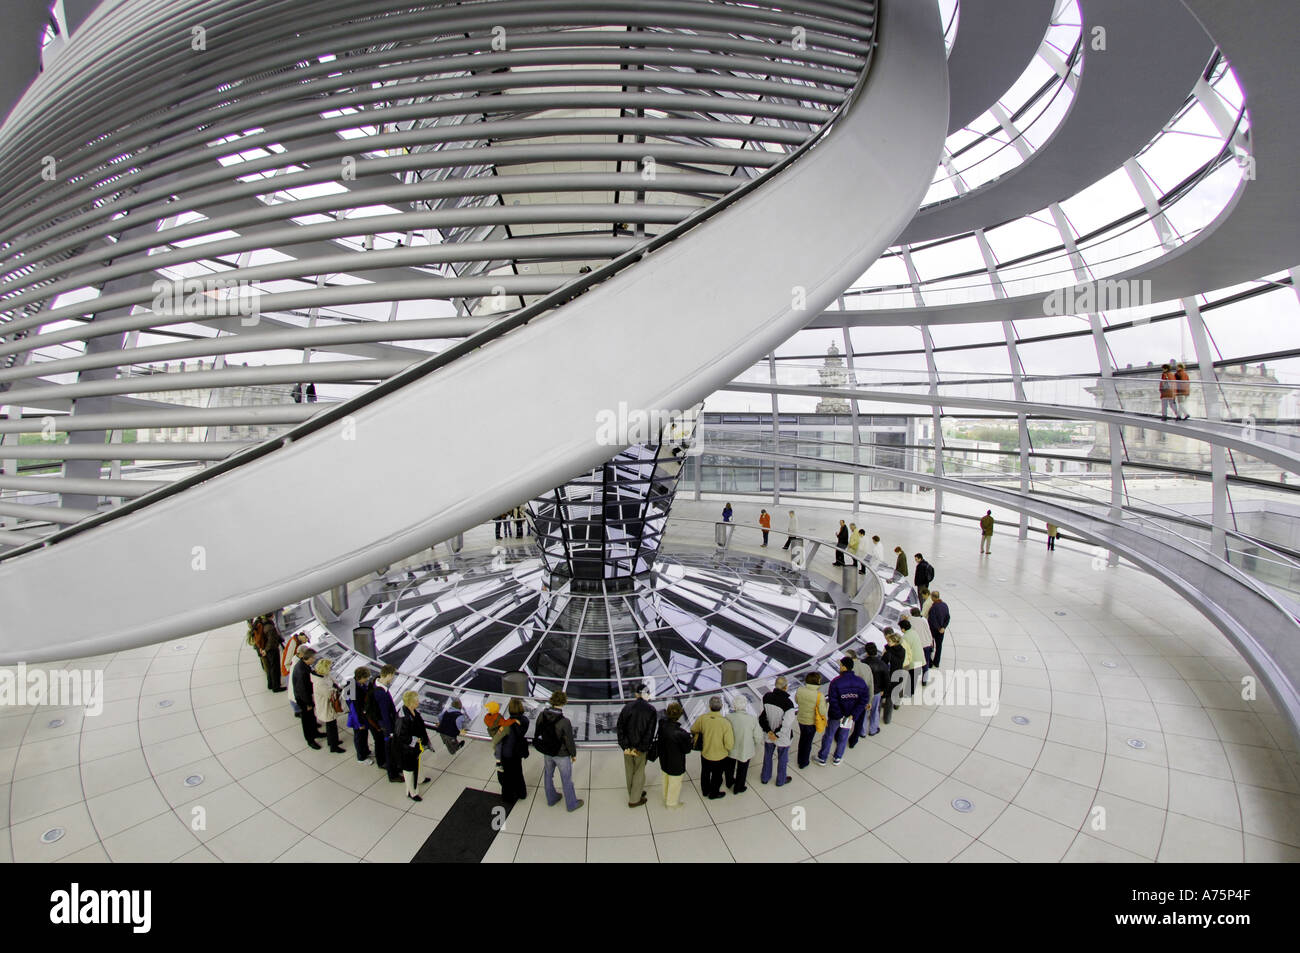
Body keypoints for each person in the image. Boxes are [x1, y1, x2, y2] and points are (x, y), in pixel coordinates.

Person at [816, 657, 870, 765]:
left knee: (829, 735)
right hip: (849, 716)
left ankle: (823, 758)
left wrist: (839, 714)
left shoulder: (836, 682)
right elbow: (863, 700)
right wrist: (853, 715)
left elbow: (833, 700)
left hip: (836, 716)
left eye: (841, 665)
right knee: (843, 736)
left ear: (844, 667)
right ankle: (838, 757)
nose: (839, 667)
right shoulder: (860, 682)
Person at [535, 691, 583, 812]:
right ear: (563, 702)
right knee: (566, 779)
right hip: (561, 754)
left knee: (548, 775)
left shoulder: (542, 715)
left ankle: (551, 799)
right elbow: (569, 741)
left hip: (547, 751)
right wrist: (573, 754)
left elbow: (538, 730)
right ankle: (571, 804)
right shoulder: (565, 722)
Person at [616, 684, 657, 808]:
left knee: (629, 770)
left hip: (627, 748)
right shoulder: (651, 710)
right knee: (639, 772)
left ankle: (634, 791)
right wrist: (641, 748)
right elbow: (650, 733)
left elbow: (620, 728)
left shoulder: (627, 707)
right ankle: (634, 799)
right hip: (640, 748)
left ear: (636, 694)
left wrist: (625, 746)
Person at [691, 696, 735, 800]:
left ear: (709, 706)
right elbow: (729, 744)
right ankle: (714, 793)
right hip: (720, 756)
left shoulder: (702, 718)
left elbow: (693, 729)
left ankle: (705, 791)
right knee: (717, 776)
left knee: (705, 773)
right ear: (721, 707)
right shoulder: (725, 723)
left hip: (705, 753)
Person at [366, 665, 401, 781]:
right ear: (389, 675)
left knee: (384, 746)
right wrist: (390, 731)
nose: (393, 679)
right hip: (386, 725)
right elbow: (385, 713)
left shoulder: (375, 683)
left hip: (380, 723)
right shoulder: (381, 693)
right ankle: (393, 774)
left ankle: (385, 764)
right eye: (392, 676)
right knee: (390, 749)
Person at [759, 677, 796, 786]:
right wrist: (776, 735)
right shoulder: (788, 703)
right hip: (782, 737)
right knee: (783, 759)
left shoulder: (766, 697)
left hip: (768, 735)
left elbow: (762, 717)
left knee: (767, 756)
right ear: (786, 687)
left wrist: (769, 732)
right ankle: (781, 780)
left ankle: (765, 777)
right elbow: (786, 724)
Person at [723, 695, 763, 794]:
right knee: (742, 768)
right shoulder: (752, 719)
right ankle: (739, 787)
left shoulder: (728, 717)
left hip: (731, 748)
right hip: (745, 749)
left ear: (734, 706)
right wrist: (755, 744)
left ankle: (729, 782)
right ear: (745, 705)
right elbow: (758, 736)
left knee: (729, 767)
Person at [395, 691, 431, 801]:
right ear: (411, 703)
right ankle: (411, 792)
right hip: (406, 749)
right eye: (417, 700)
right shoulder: (403, 717)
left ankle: (420, 778)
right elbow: (402, 736)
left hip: (414, 747)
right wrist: (415, 740)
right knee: (409, 770)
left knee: (417, 762)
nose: (419, 702)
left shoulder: (412, 711)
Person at [657, 702, 693, 808]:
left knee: (665, 779)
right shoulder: (682, 734)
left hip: (664, 759)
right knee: (675, 783)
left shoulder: (662, 725)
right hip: (676, 762)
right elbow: (687, 750)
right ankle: (671, 803)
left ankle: (665, 797)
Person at [494, 698, 530, 805]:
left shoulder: (505, 724)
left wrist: (498, 758)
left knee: (507, 777)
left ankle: (508, 797)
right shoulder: (525, 721)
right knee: (518, 772)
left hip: (507, 753)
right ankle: (522, 793)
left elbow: (498, 743)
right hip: (517, 752)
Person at [312, 658, 347, 754]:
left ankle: (332, 742)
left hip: (328, 706)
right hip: (326, 707)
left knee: (332, 725)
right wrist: (336, 690)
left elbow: (332, 682)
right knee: (331, 726)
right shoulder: (319, 682)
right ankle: (334, 746)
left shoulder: (323, 676)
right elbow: (329, 694)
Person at [793, 672, 827, 770]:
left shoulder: (800, 690)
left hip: (801, 719)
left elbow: (796, 701)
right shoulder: (819, 695)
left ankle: (800, 759)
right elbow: (822, 711)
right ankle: (804, 762)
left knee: (802, 739)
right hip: (811, 722)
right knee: (808, 742)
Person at [291, 646, 321, 749]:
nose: (314, 660)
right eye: (314, 658)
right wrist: (308, 703)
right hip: (303, 700)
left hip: (306, 697)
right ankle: (310, 739)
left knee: (311, 717)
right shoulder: (302, 671)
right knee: (307, 720)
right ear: (309, 658)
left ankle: (315, 732)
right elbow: (302, 689)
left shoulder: (303, 665)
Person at [343, 666, 374, 763]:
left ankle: (366, 751)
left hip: (360, 716)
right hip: (357, 719)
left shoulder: (353, 683)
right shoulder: (355, 691)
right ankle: (361, 757)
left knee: (364, 735)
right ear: (360, 678)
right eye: (366, 678)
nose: (367, 680)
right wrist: (360, 723)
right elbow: (354, 708)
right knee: (359, 737)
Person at [881, 629, 907, 725]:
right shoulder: (902, 650)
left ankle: (886, 718)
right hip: (899, 675)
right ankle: (889, 716)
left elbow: (882, 663)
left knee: (887, 698)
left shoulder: (889, 653)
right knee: (892, 696)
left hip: (889, 677)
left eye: (889, 641)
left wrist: (887, 648)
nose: (888, 642)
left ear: (895, 642)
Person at [863, 642, 889, 736]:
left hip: (865, 692)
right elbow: (886, 679)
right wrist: (883, 690)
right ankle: (873, 729)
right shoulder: (882, 664)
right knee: (875, 711)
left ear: (866, 652)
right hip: (877, 691)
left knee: (864, 712)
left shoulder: (863, 663)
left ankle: (862, 731)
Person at [897, 617, 926, 697]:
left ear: (903, 629)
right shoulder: (914, 632)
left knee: (910, 677)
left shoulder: (904, 637)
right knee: (914, 677)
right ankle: (911, 692)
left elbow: (903, 651)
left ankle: (908, 692)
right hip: (920, 658)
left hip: (913, 660)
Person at [909, 607, 935, 684]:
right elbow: (928, 632)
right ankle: (924, 680)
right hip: (926, 644)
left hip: (917, 646)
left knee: (916, 663)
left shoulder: (911, 621)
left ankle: (914, 680)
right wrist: (931, 642)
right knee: (925, 663)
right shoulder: (924, 620)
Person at [928, 592, 951, 668]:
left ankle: (930, 662)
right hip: (941, 631)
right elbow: (947, 617)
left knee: (929, 645)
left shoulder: (933, 607)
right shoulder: (945, 605)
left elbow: (932, 620)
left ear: (933, 597)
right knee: (939, 646)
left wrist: (938, 628)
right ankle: (936, 662)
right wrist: (943, 627)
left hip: (933, 630)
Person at [483, 700, 505, 766]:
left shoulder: (486, 718)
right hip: (499, 734)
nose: (487, 710)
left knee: (496, 745)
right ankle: (499, 761)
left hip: (492, 734)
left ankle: (497, 757)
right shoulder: (499, 717)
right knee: (499, 746)